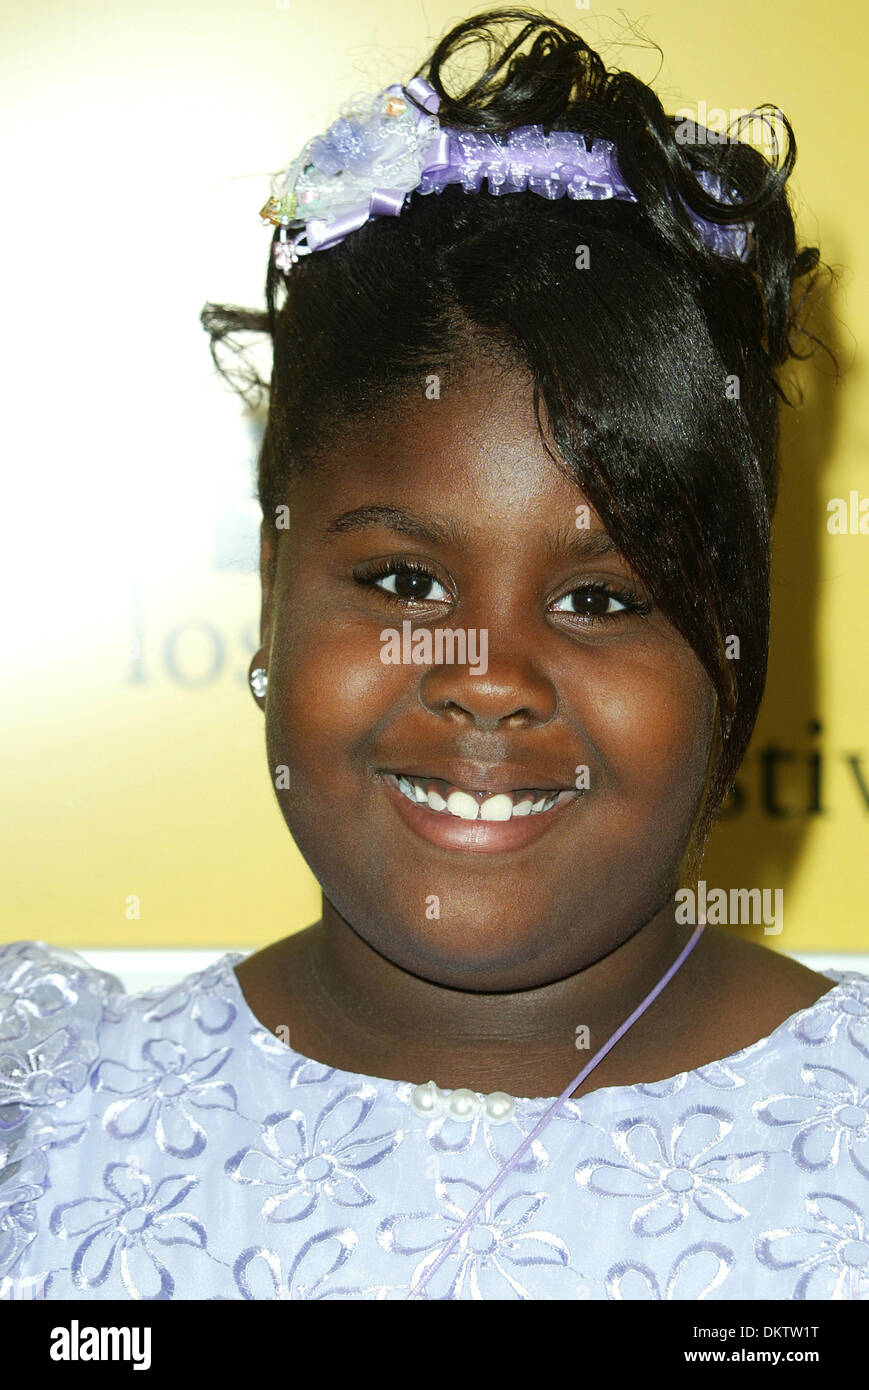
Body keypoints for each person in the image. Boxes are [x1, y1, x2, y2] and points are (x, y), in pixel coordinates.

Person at [2, 8, 865, 1302]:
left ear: (732, 652)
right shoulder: (54, 1126)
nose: (487, 671)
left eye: (605, 596)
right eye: (403, 579)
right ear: (270, 597)